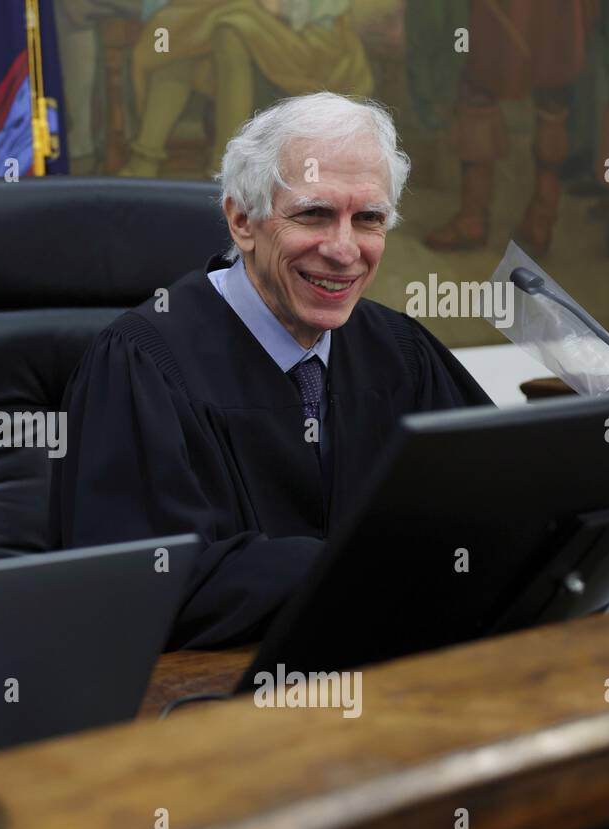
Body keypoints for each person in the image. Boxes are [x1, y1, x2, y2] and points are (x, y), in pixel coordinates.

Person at [51, 91, 492, 651]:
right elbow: (139, 585)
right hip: (218, 703)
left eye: (369, 220)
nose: (343, 249)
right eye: (314, 214)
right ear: (242, 220)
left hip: (396, 677)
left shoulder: (400, 352)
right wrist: (367, 567)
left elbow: (493, 506)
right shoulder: (139, 365)